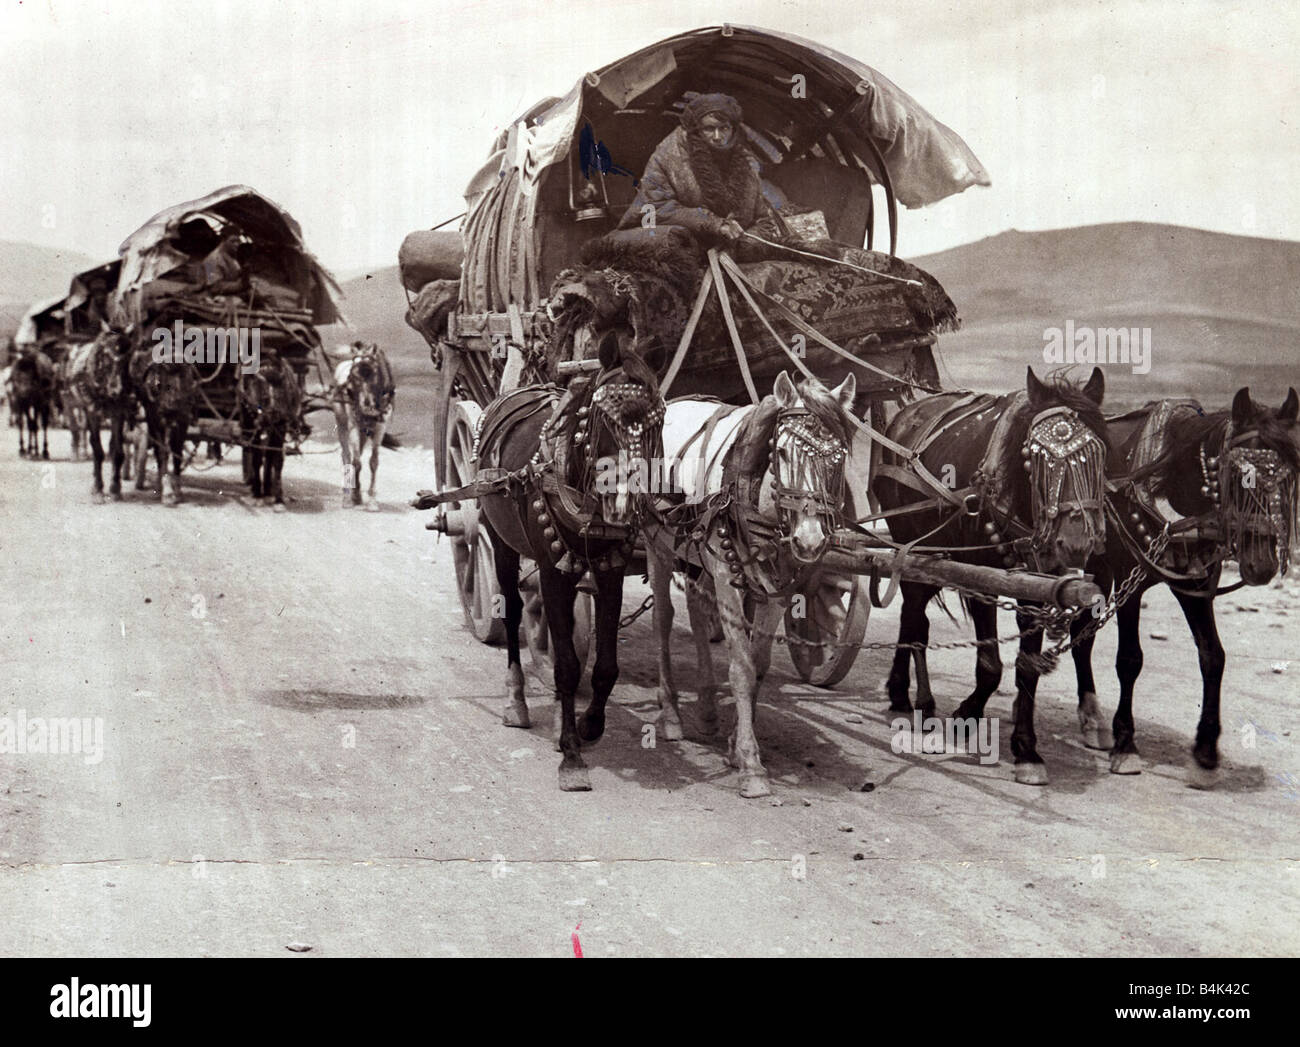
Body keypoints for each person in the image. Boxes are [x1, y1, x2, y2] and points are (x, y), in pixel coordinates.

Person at [617, 92, 787, 247]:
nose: (718, 137)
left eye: (724, 128)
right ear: (696, 130)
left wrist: (747, 240)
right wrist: (712, 223)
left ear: (733, 129)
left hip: (729, 248)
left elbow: (762, 218)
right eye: (709, 129)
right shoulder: (668, 156)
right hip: (680, 243)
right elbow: (654, 207)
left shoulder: (745, 162)